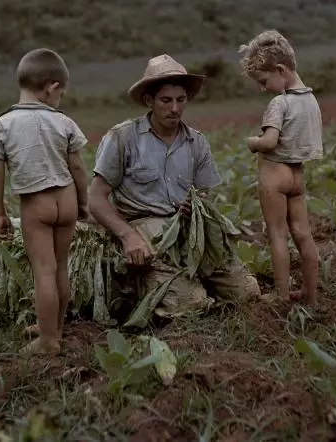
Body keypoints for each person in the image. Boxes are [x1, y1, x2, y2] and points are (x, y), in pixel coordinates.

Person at [88, 54, 260, 318]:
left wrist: (197, 204)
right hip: (144, 227)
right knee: (190, 304)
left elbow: (205, 192)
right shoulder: (123, 137)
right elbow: (96, 199)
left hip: (186, 229)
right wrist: (128, 236)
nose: (175, 109)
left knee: (247, 294)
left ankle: (182, 278)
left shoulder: (196, 142)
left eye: (181, 100)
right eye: (166, 101)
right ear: (149, 101)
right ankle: (135, 283)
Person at [0, 48, 89, 356]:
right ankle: (55, 325)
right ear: (52, 87)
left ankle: (47, 340)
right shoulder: (64, 123)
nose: (60, 99)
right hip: (66, 200)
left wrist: (0, 214)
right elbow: (78, 167)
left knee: (43, 269)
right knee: (61, 267)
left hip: (36, 206)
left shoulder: (3, 125)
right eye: (61, 94)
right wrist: (83, 204)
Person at [238, 30, 323, 306]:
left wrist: (253, 142)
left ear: (280, 70)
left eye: (264, 81)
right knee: (303, 232)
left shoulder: (280, 103)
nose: (264, 88)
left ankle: (282, 295)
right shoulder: (310, 100)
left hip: (275, 177)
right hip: (298, 176)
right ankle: (311, 295)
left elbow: (270, 141)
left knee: (276, 233)